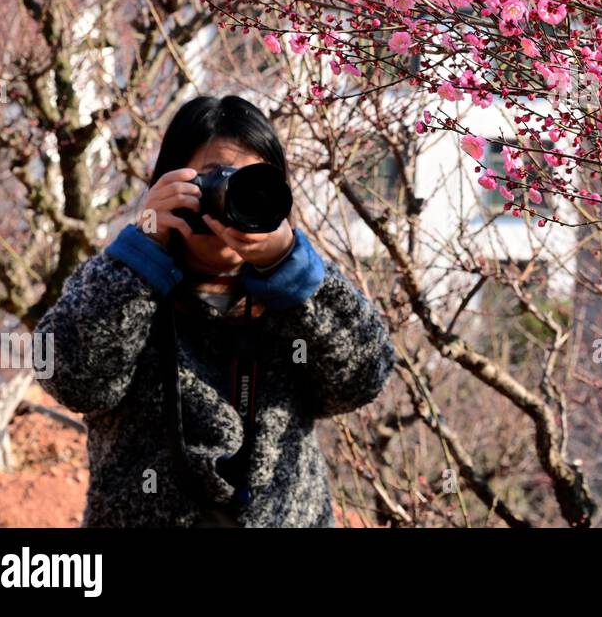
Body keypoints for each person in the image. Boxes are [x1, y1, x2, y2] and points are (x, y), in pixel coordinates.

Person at [35, 94, 395, 526]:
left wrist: (293, 272)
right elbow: (73, 381)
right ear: (166, 185)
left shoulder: (298, 302)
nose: (231, 203)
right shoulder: (122, 285)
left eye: (252, 186)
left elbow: (363, 379)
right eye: (212, 183)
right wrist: (142, 249)